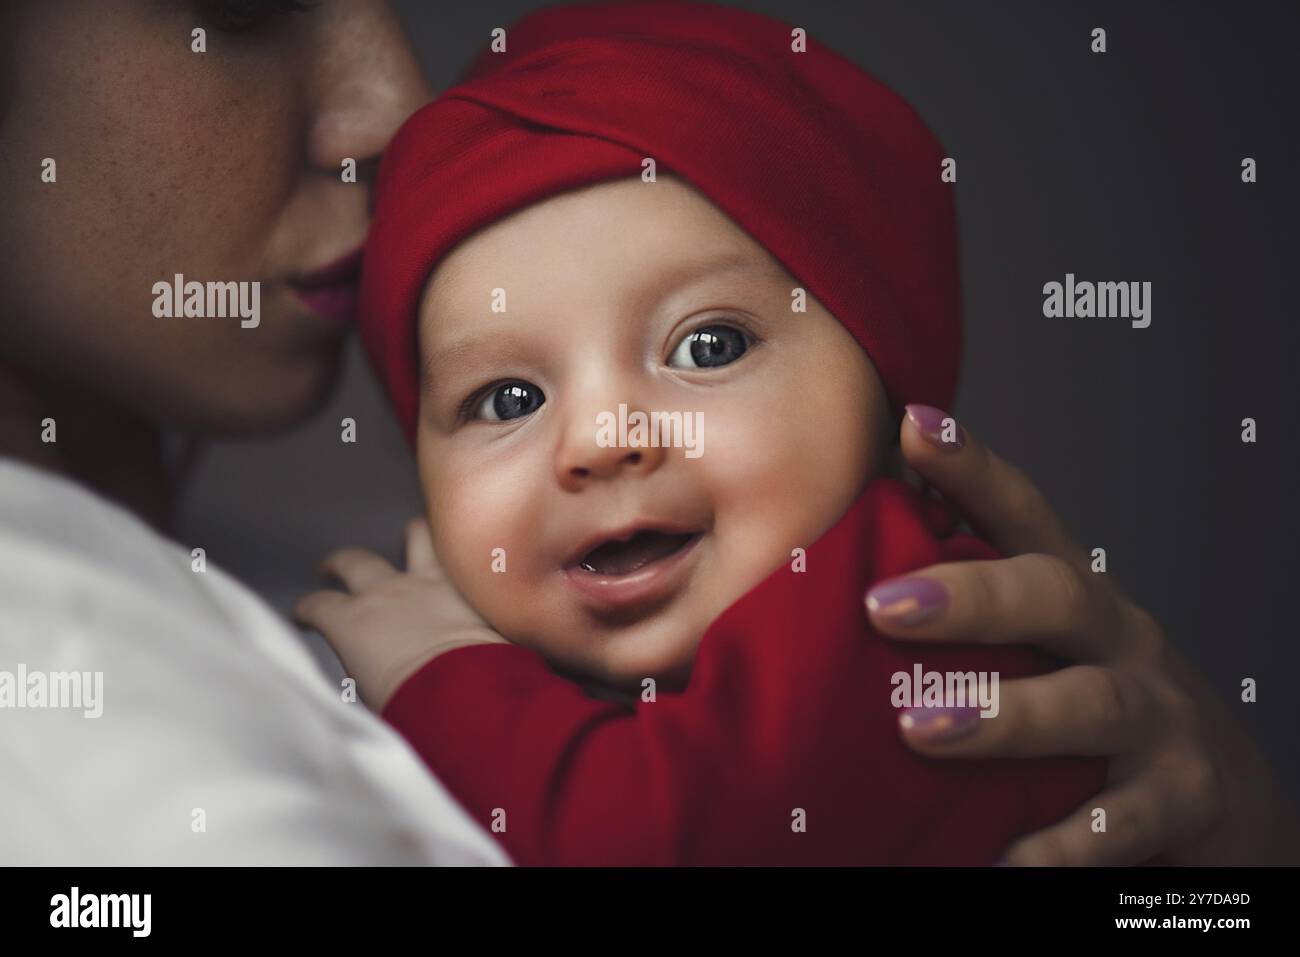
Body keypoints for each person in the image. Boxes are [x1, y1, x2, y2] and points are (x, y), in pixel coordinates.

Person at [1, 0, 1294, 866]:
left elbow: (638, 832)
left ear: (890, 385)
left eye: (710, 345)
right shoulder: (73, 704)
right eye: (506, 400)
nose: (603, 439)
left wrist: (442, 674)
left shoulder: (896, 618)